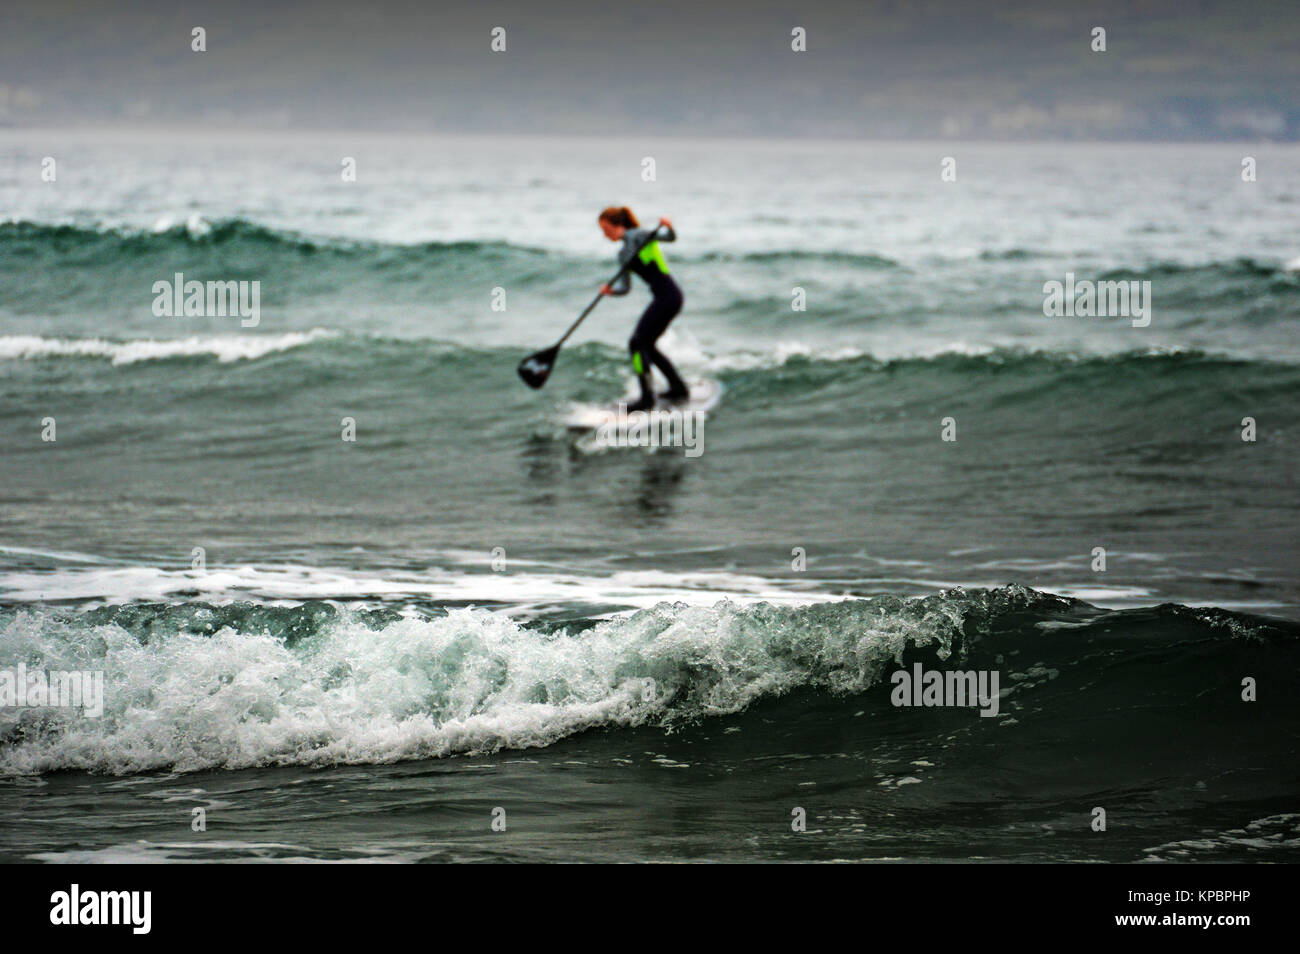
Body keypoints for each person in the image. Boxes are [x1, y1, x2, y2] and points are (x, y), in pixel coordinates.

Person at [598, 206, 689, 411]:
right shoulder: (622, 255)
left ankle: (646, 399)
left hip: (669, 296)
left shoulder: (639, 236)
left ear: (618, 225)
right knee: (646, 345)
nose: (605, 235)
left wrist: (668, 225)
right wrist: (611, 291)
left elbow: (669, 238)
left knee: (636, 343)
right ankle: (678, 388)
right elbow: (625, 288)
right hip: (663, 298)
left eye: (606, 229)